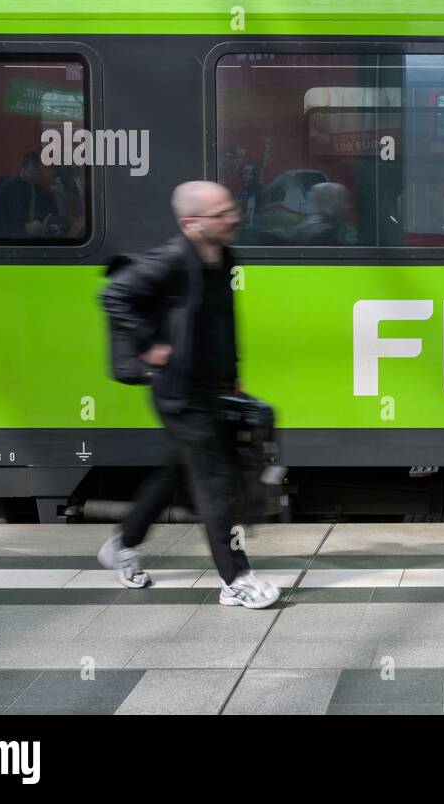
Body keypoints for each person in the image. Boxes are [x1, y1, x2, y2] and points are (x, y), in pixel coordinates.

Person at [98, 180, 280, 609]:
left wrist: (233, 374)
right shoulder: (173, 259)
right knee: (216, 484)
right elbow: (114, 295)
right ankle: (236, 579)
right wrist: (148, 344)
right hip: (180, 393)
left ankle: (123, 543)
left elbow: (224, 321)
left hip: (211, 388)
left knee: (178, 471)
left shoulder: (222, 257)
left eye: (232, 209)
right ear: (191, 223)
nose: (232, 219)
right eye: (221, 214)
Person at [0, 151, 63, 237]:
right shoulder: (7, 189)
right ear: (22, 169)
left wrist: (54, 225)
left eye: (38, 174)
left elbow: (51, 212)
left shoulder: (39, 189)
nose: (35, 177)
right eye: (32, 174)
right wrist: (24, 228)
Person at [293, 181, 350, 246]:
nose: (349, 206)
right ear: (332, 199)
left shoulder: (305, 225)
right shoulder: (325, 235)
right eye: (344, 199)